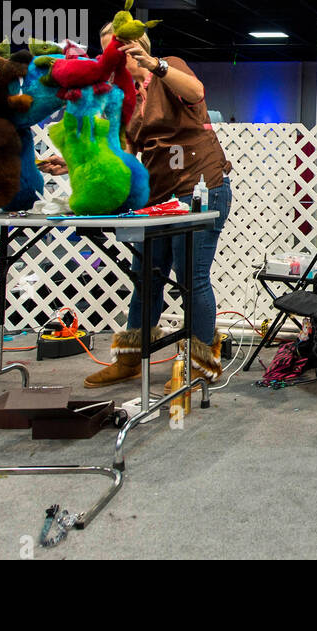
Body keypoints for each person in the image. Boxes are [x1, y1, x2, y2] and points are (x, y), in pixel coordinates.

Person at [43, 27, 232, 390]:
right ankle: (130, 359)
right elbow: (122, 156)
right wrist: (72, 161)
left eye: (115, 48)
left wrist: (156, 65)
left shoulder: (170, 68)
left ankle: (202, 362)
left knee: (191, 278)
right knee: (146, 278)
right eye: (104, 51)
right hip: (158, 198)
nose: (109, 57)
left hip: (201, 189)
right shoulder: (124, 97)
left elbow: (196, 92)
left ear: (135, 47)